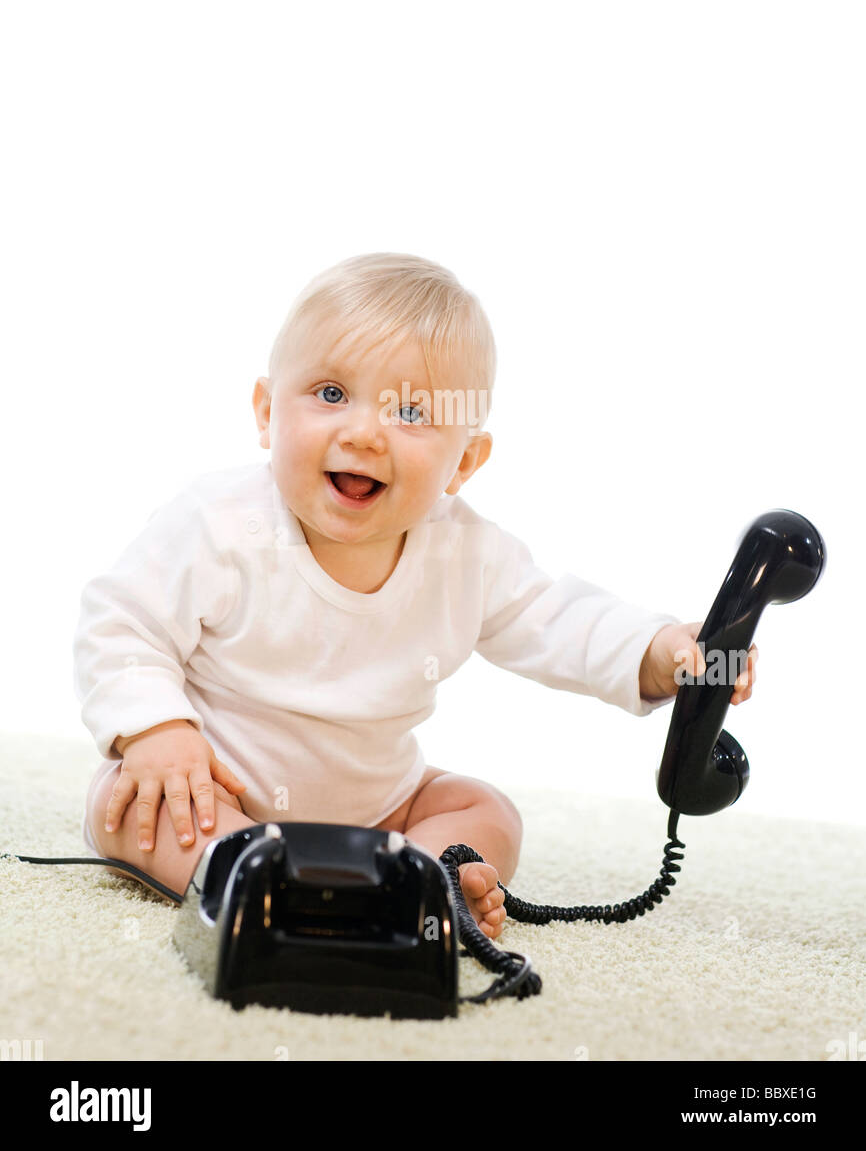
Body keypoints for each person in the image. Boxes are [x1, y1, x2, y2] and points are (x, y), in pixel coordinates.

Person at [74, 252, 757, 939]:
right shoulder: (220, 525)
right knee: (141, 809)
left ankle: (420, 878)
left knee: (485, 813)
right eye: (331, 394)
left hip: (379, 814)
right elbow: (122, 623)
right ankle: (268, 875)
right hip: (215, 792)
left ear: (463, 462)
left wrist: (662, 649)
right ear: (266, 412)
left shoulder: (464, 553)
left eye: (410, 412)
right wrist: (158, 731)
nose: (364, 432)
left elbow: (557, 621)